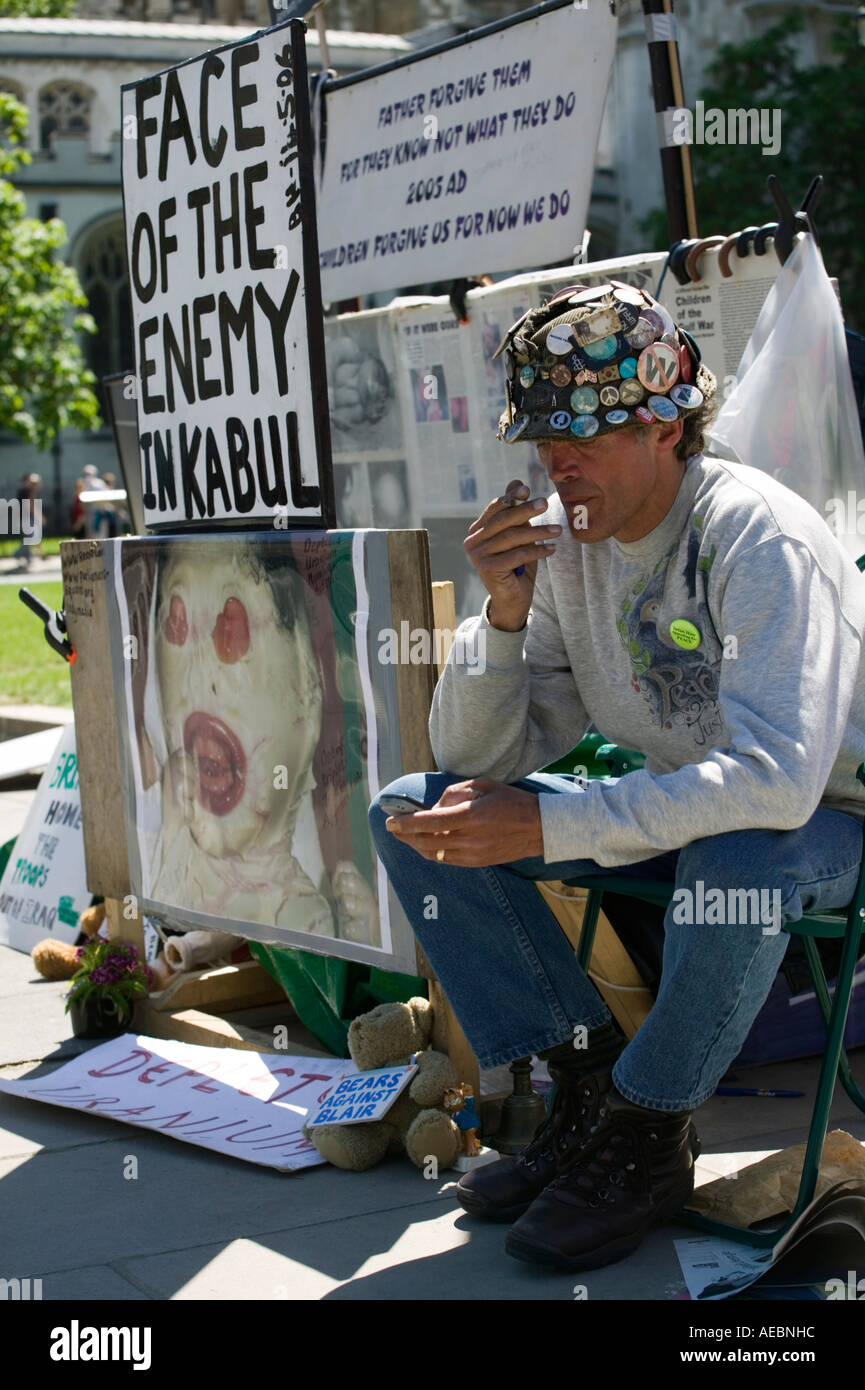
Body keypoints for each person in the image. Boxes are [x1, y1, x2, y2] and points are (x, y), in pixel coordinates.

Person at [368, 279, 865, 1272]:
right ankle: (587, 1087)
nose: (554, 464)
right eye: (542, 441)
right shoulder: (566, 545)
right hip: (706, 810)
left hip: (828, 821)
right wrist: (500, 614)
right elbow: (475, 758)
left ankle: (646, 1130)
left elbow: (774, 785)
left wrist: (548, 828)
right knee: (415, 812)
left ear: (662, 426)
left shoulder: (749, 530)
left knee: (738, 856)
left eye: (580, 439)